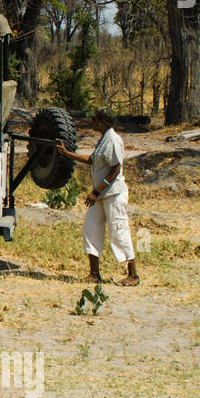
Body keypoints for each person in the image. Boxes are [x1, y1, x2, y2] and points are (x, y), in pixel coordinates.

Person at [56, 107, 140, 286]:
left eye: (94, 118)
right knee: (91, 229)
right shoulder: (104, 139)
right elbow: (91, 160)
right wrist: (66, 153)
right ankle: (94, 273)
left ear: (102, 121)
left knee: (119, 231)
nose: (91, 121)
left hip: (113, 195)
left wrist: (96, 191)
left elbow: (115, 169)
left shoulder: (114, 140)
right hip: (101, 194)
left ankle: (133, 274)